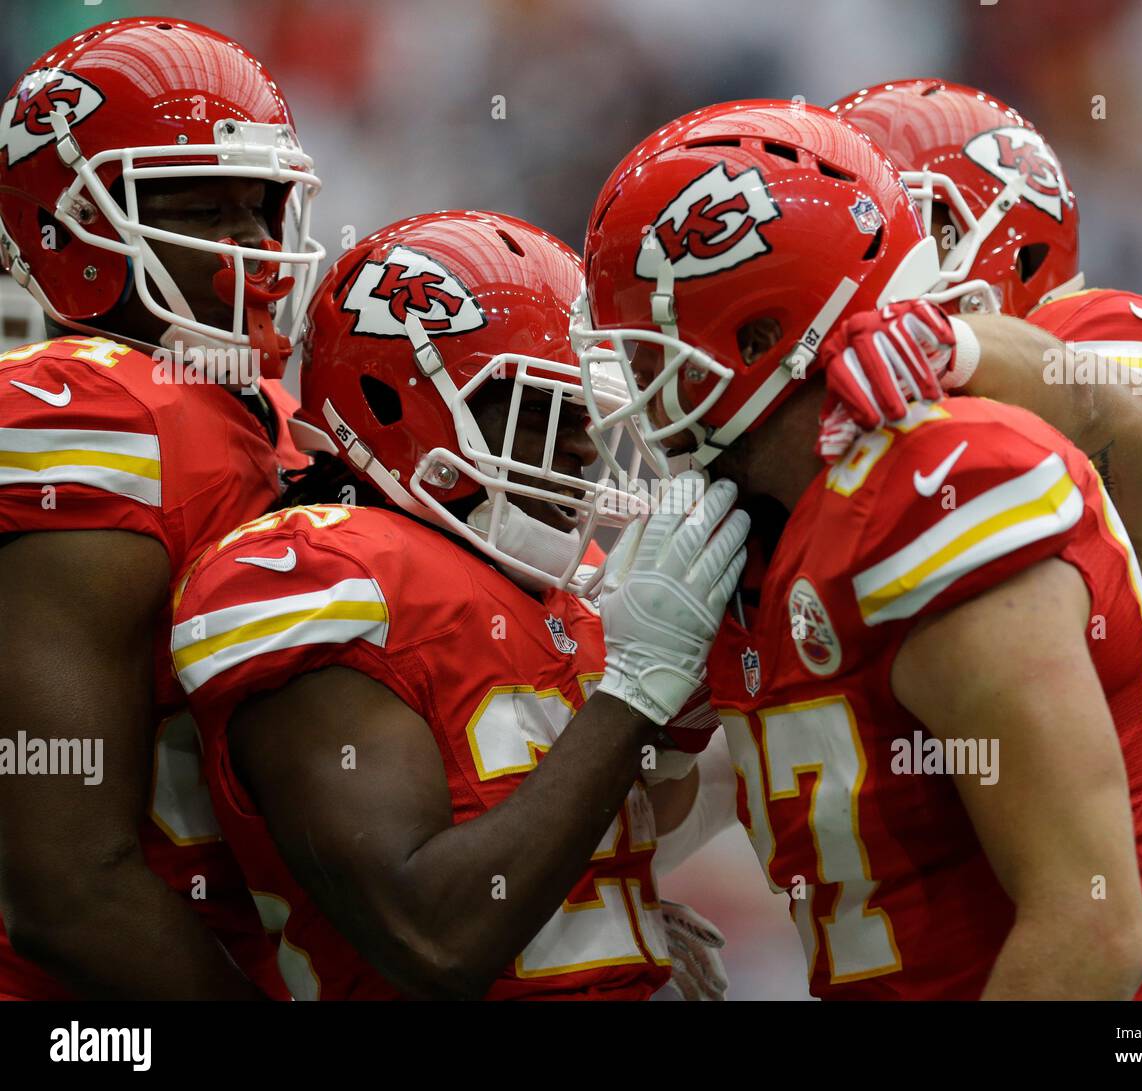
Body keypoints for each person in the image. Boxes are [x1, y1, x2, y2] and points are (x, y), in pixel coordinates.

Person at [573, 99, 1142, 999]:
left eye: (649, 352)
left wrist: (960, 345)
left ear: (759, 333)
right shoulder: (759, 526)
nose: (632, 391)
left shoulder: (953, 469)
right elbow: (711, 788)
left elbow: (1095, 934)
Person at [169, 211, 748, 999]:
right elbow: (433, 935)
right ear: (392, 398)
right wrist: (634, 692)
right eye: (541, 410)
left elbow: (576, 822)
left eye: (587, 412)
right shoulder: (317, 574)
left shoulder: (546, 579)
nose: (582, 446)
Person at [823, 78, 1142, 998]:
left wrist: (957, 349)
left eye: (893, 230)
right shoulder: (858, 471)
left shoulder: (1090, 337)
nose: (860, 268)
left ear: (1006, 230)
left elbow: (1130, 428)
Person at [0, 17, 323, 998]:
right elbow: (68, 891)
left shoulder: (270, 413)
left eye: (261, 208)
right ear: (64, 225)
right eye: (195, 207)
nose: (250, 246)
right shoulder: (90, 414)